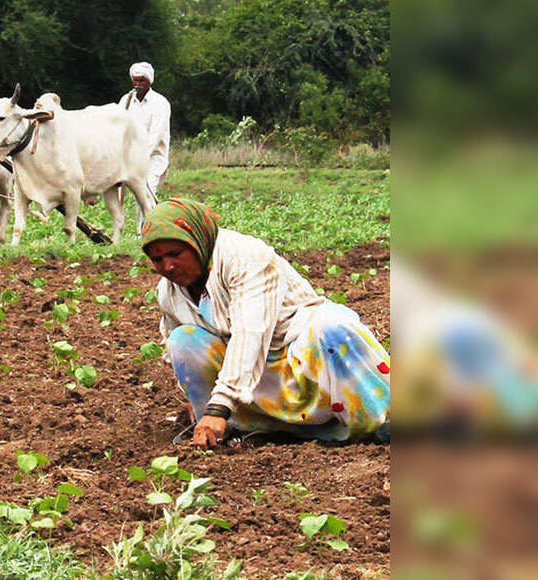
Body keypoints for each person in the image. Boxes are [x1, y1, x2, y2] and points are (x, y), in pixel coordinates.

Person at [141, 197, 390, 447]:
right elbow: (174, 346)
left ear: (198, 241)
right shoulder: (170, 291)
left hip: (301, 353)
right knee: (183, 340)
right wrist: (198, 399)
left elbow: (251, 334)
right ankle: (236, 429)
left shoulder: (246, 258)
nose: (168, 266)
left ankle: (377, 423)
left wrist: (219, 407)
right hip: (249, 379)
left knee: (333, 327)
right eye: (157, 260)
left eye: (175, 254)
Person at [120, 62, 171, 228]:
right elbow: (118, 126)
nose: (138, 84)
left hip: (153, 156)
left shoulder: (160, 103)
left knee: (146, 192)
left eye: (141, 80)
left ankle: (145, 233)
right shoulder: (126, 101)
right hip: (129, 156)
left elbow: (155, 135)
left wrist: (140, 156)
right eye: (135, 80)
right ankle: (123, 230)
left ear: (149, 81)